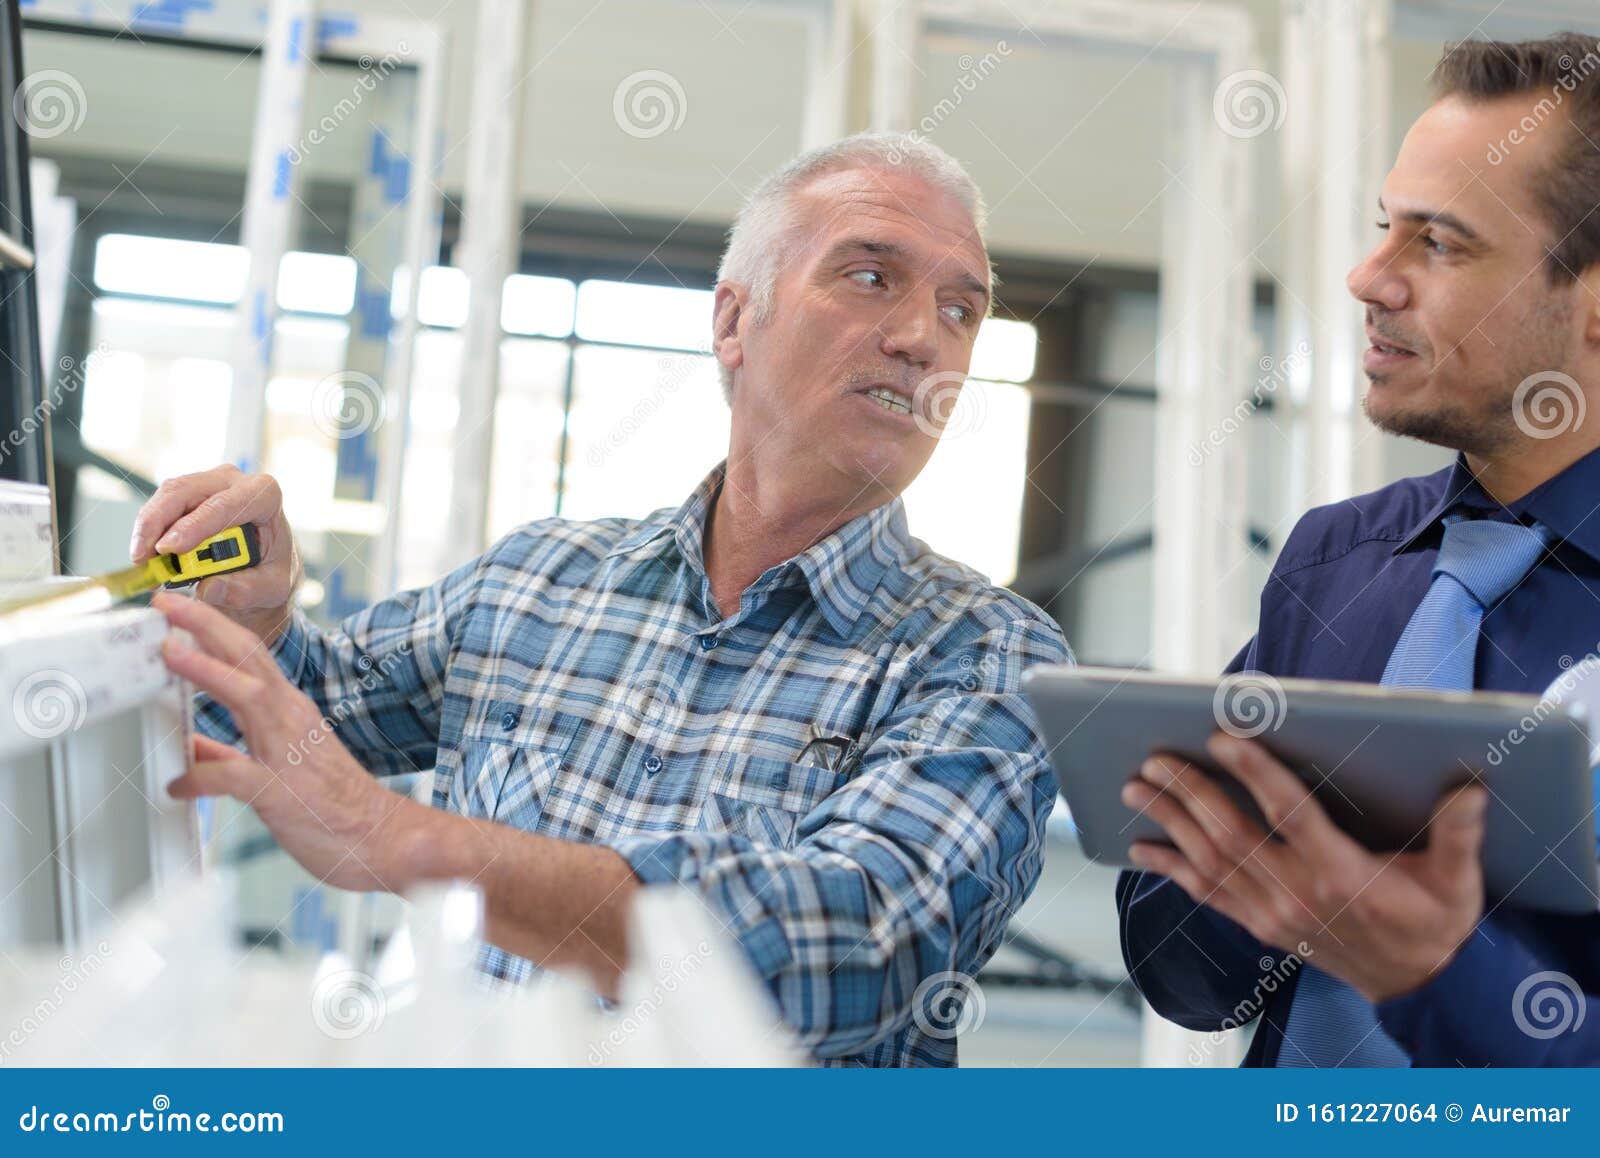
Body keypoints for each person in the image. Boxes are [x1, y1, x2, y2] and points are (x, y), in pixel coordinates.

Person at [129, 132, 1072, 1067]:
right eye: (871, 278)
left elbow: (857, 947)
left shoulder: (988, 656)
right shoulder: (541, 580)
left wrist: (406, 842)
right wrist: (252, 620)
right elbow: (317, 720)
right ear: (735, 323)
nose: (920, 339)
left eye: (960, 310)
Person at [1118, 32, 1600, 1066]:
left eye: (1440, 244)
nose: (1366, 277)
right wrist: (1231, 862)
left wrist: (1438, 975)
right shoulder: (1338, 560)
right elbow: (1190, 985)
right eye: (1386, 228)